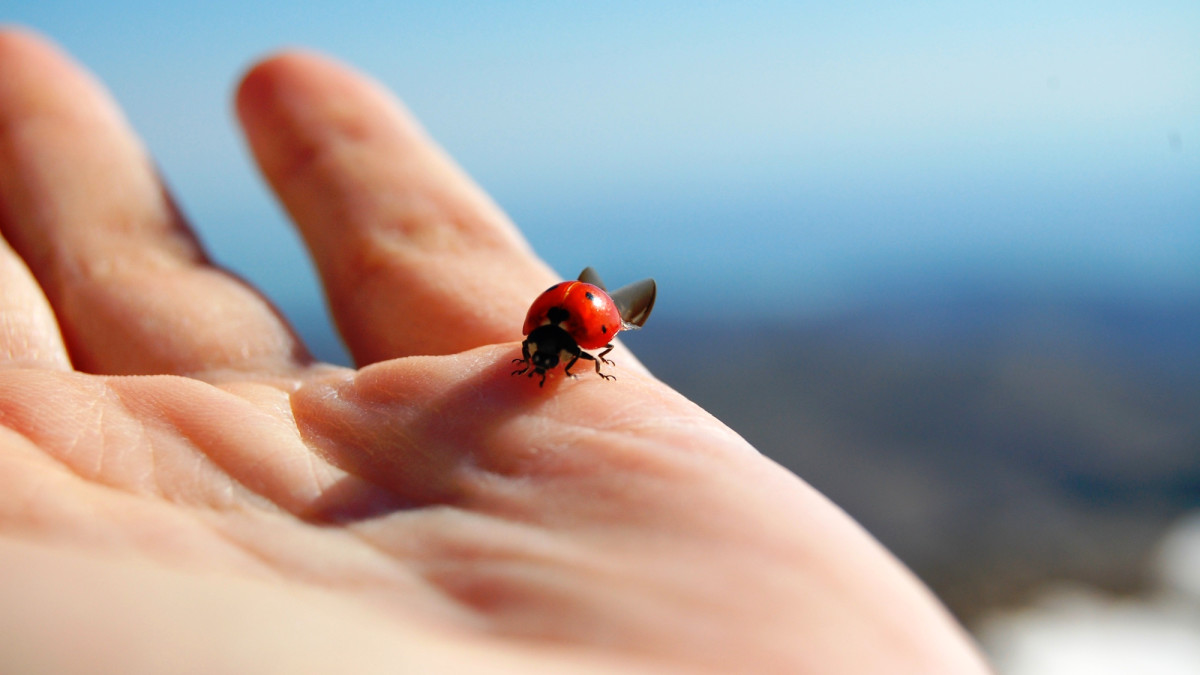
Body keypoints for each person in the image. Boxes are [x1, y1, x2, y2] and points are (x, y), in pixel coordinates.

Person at [0, 27, 991, 674]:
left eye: (557, 354)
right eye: (557, 351)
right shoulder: (562, 334)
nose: (550, 361)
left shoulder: (566, 334)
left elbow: (566, 334)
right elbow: (564, 335)